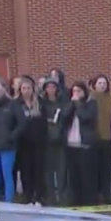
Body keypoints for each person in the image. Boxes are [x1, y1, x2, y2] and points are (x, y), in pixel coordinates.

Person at [65, 82, 100, 206]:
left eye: (79, 91)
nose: (76, 94)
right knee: (74, 178)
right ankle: (76, 202)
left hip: (85, 146)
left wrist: (78, 104)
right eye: (74, 91)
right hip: (71, 145)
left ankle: (89, 203)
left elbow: (85, 117)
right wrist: (71, 104)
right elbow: (64, 117)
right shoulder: (71, 104)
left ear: (84, 92)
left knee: (87, 177)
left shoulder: (91, 104)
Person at [14, 77, 46, 205]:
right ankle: (27, 195)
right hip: (23, 143)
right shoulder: (16, 103)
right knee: (25, 170)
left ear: (33, 89)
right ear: (20, 90)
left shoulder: (40, 103)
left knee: (38, 170)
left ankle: (38, 196)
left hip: (38, 142)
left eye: (28, 88)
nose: (26, 91)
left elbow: (44, 122)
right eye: (24, 88)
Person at [40, 76, 70, 205]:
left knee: (61, 170)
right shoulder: (41, 103)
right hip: (46, 141)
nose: (51, 89)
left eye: (53, 87)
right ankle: (50, 197)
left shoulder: (63, 102)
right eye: (48, 87)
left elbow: (67, 118)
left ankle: (62, 197)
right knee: (48, 171)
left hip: (60, 140)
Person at [91, 75, 111, 204]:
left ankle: (106, 194)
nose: (102, 85)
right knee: (95, 169)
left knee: (107, 170)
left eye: (104, 83)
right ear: (94, 85)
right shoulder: (90, 99)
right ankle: (96, 195)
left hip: (108, 139)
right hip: (94, 140)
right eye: (99, 83)